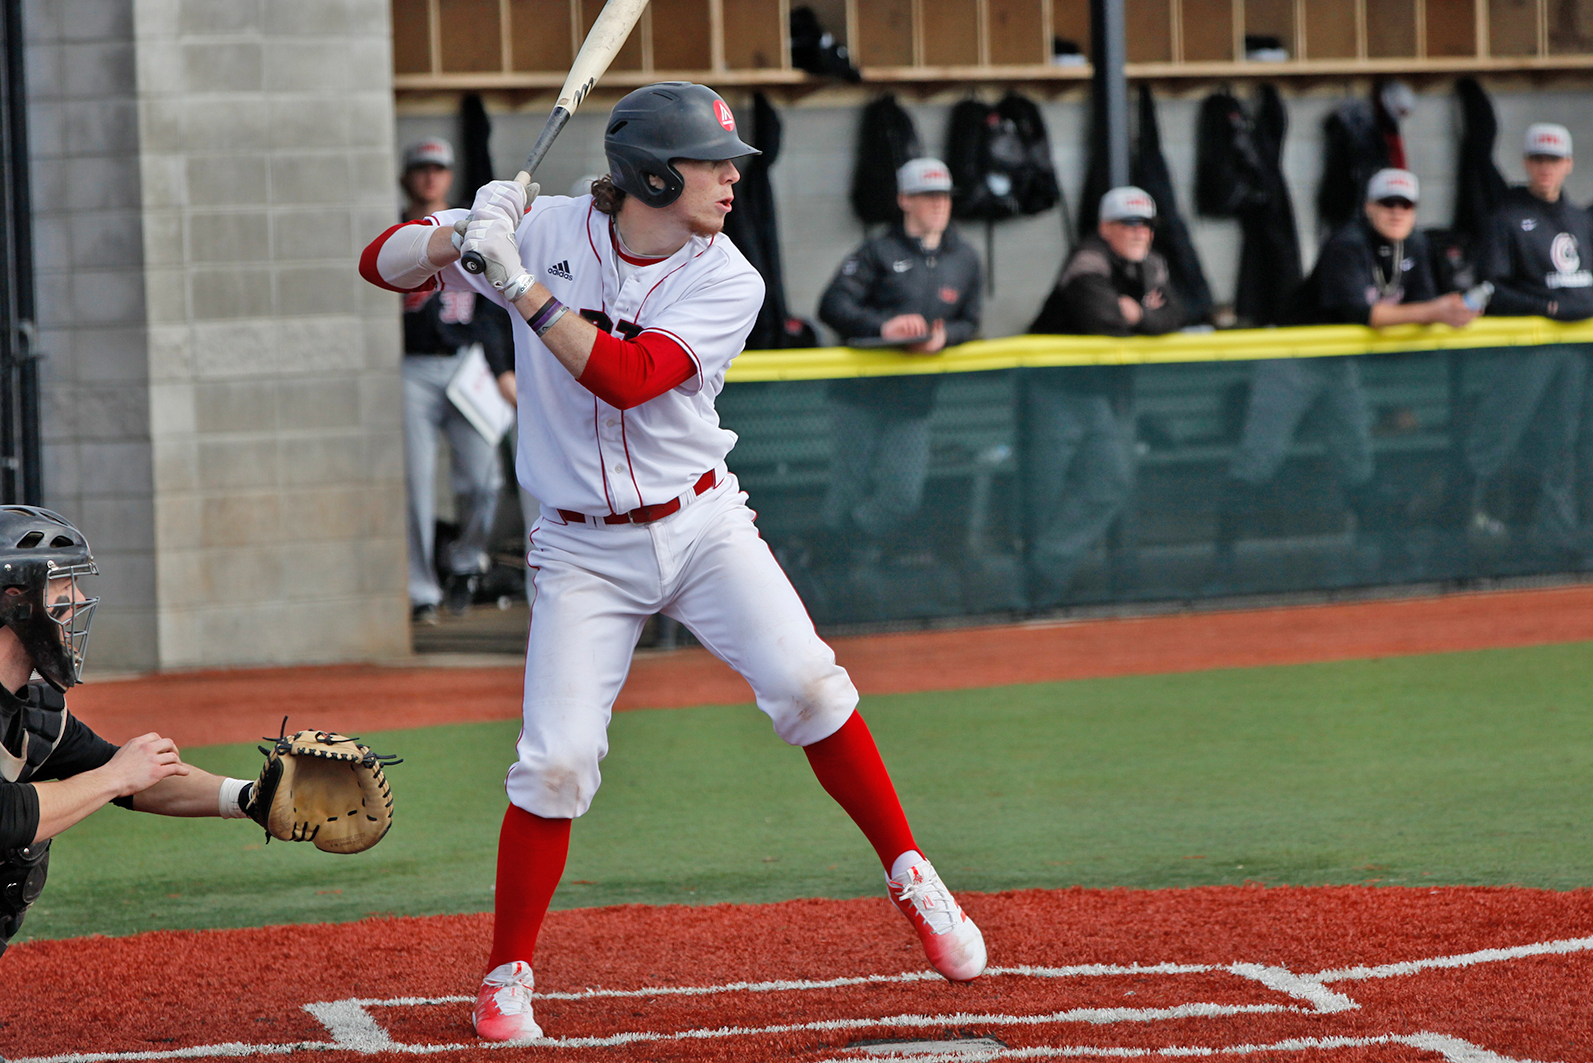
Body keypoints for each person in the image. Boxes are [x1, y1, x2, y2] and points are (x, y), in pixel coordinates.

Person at [357, 81, 986, 1044]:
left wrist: (518, 282)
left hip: (702, 526)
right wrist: (464, 231)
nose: (732, 180)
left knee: (813, 688)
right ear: (653, 171)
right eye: (711, 163)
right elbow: (378, 261)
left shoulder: (730, 276)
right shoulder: (549, 224)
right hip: (577, 547)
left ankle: (913, 874)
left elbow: (626, 375)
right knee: (556, 762)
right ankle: (506, 973)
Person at [0, 507, 262, 1063]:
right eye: (63, 583)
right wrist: (112, 776)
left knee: (11, 859)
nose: (77, 600)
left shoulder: (29, 706)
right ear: (17, 598)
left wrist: (249, 798)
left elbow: (135, 780)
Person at [1217, 169, 1476, 564]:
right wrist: (1436, 309)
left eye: (1405, 204)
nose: (1396, 212)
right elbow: (1363, 313)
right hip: (1294, 355)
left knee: (1356, 457)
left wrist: (1449, 309)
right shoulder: (1347, 242)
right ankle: (1223, 559)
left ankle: (1388, 552)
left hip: (1338, 362)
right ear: (1369, 207)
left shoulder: (1416, 244)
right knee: (1261, 456)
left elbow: (1422, 301)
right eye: (1387, 203)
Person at [1023, 187, 1184, 605]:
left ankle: (1047, 572)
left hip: (1101, 394)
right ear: (1105, 228)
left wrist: (1140, 314)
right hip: (1051, 389)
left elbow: (1178, 313)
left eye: (1145, 224)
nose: (1138, 232)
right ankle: (1030, 586)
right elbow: (1102, 318)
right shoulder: (1089, 259)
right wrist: (1137, 314)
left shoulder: (1150, 264)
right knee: (1045, 490)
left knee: (1110, 480)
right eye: (1127, 224)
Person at [816, 158, 982, 551]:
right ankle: (828, 568)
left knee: (901, 496)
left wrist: (943, 338)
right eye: (928, 196)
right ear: (905, 200)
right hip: (859, 396)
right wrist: (883, 327)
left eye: (944, 196)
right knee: (847, 488)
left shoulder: (965, 256)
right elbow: (833, 306)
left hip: (914, 399)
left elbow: (971, 322)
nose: (939, 205)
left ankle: (841, 550)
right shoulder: (878, 250)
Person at [1461, 124, 1593, 548]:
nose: (1546, 168)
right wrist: (1548, 307)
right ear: (1527, 164)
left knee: (1560, 444)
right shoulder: (1506, 216)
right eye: (1539, 160)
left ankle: (1549, 539)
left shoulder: (1580, 217)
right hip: (1524, 351)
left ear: (1568, 165)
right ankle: (1459, 536)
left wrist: (1569, 308)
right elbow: (1491, 289)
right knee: (1495, 442)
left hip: (1573, 350)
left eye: (1554, 160)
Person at [397, 137, 518, 624]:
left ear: (448, 175)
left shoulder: (465, 224)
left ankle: (466, 565)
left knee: (484, 481)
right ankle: (422, 589)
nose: (430, 176)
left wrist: (500, 367)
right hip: (413, 368)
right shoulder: (397, 232)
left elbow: (492, 307)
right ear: (408, 175)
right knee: (415, 485)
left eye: (438, 168)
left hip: (468, 364)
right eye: (422, 168)